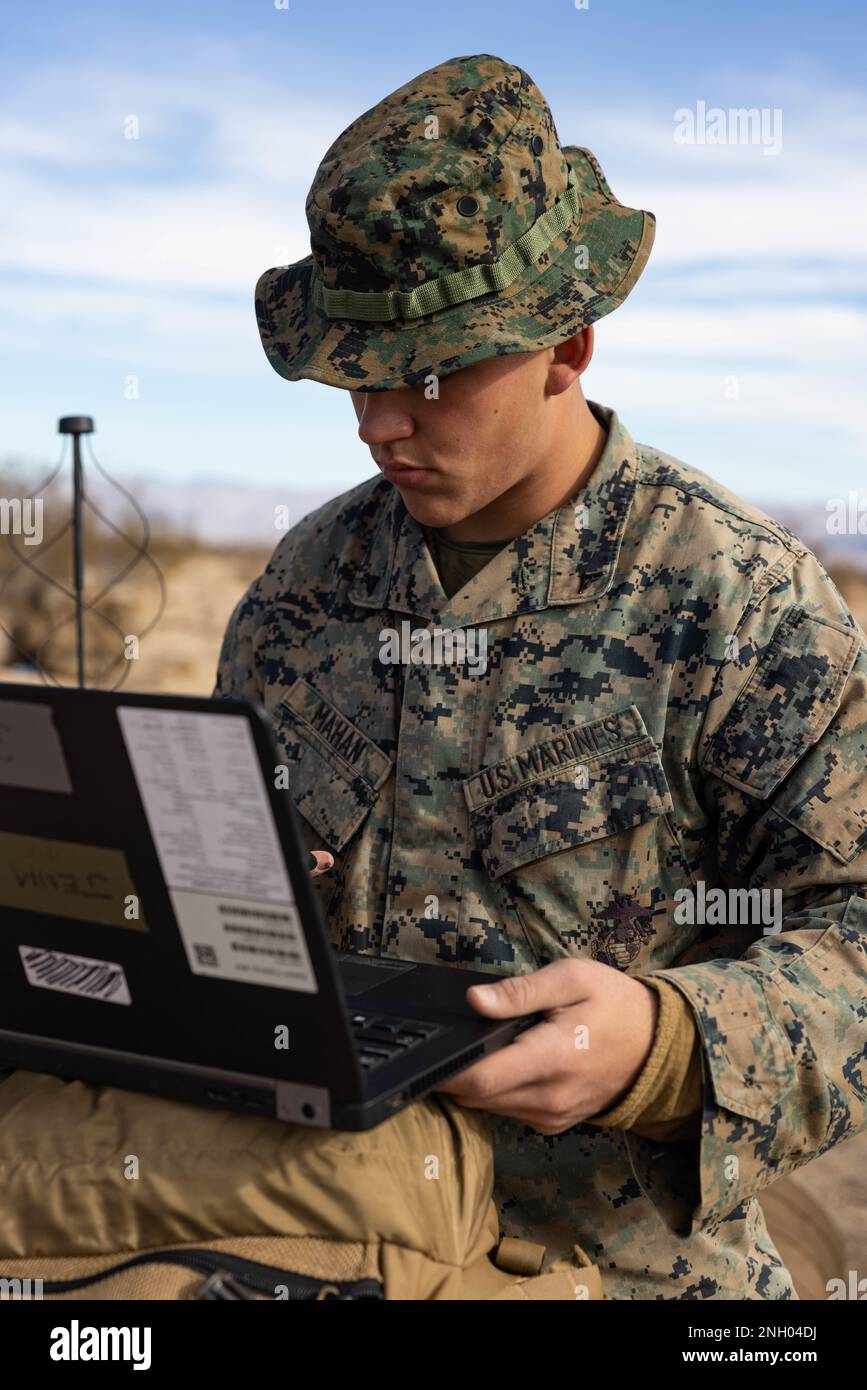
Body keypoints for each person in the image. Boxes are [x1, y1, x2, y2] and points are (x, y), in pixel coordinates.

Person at [216, 53, 867, 1299]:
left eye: (427, 374)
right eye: (357, 372)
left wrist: (669, 1047)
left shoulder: (745, 603)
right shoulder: (302, 593)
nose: (375, 421)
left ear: (567, 343)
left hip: (617, 1272)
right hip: (309, 1241)